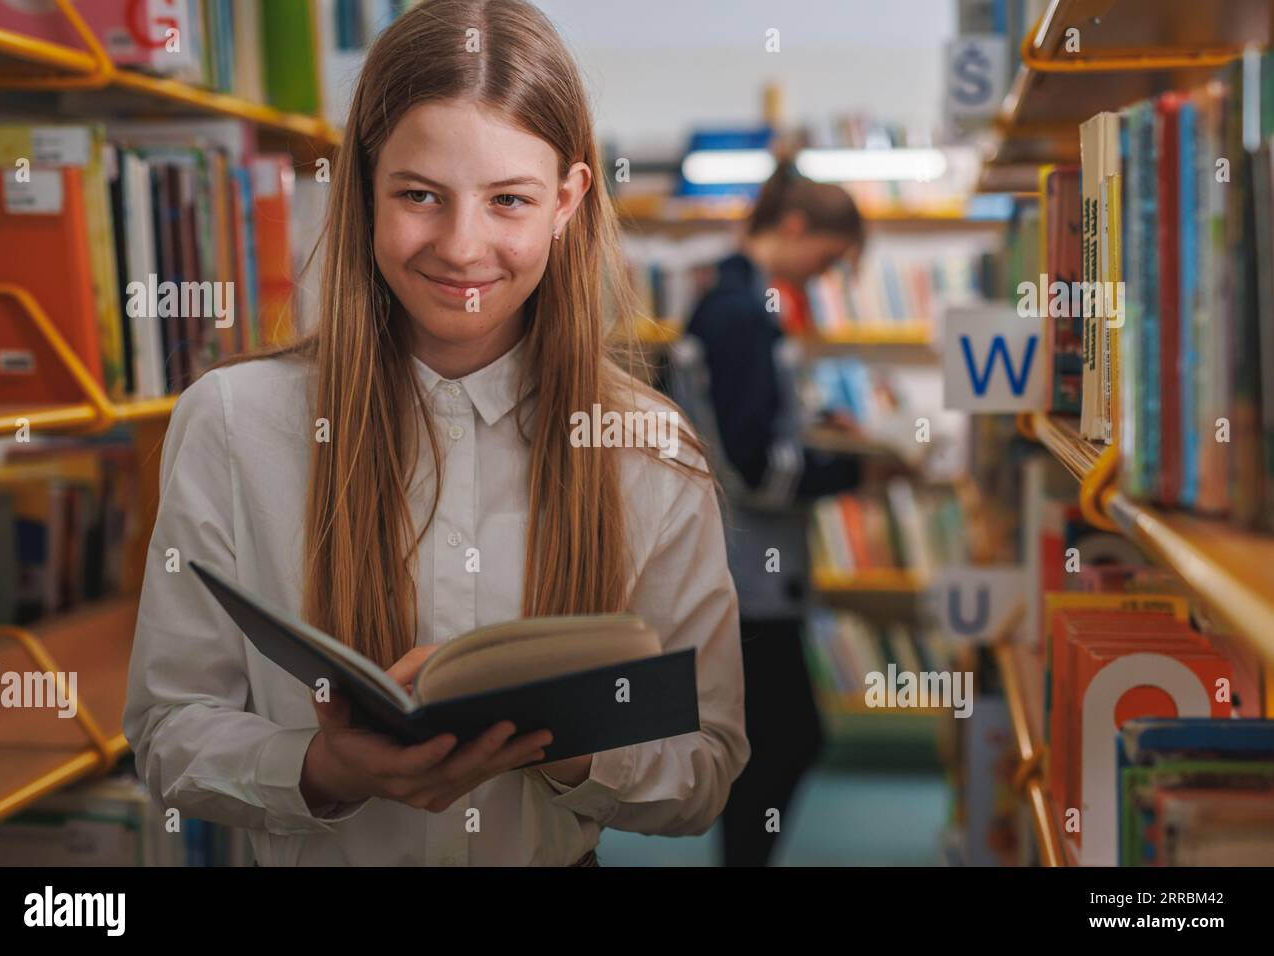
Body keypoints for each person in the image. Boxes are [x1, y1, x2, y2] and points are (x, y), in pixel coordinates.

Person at [122, 0, 748, 867]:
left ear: (567, 201)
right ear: (361, 187)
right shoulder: (232, 422)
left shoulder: (651, 450)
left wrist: (571, 745)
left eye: (509, 201)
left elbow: (707, 767)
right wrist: (316, 767)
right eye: (419, 195)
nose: (462, 247)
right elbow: (166, 728)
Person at [670, 158, 865, 866]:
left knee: (764, 741)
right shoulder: (744, 314)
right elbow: (758, 467)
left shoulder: (726, 297)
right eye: (828, 256)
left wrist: (817, 433)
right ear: (793, 226)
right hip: (747, 574)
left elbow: (742, 432)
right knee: (783, 741)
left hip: (741, 565)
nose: (822, 275)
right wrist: (855, 467)